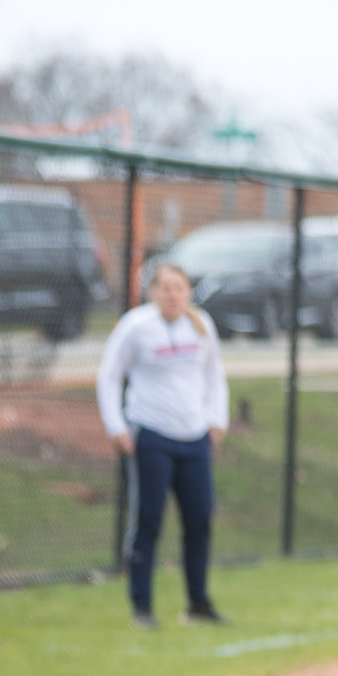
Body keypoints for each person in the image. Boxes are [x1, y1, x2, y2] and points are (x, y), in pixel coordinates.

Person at [96, 262, 229, 629]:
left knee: (199, 518)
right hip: (152, 435)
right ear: (153, 292)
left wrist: (217, 419)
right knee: (149, 521)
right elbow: (109, 375)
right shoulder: (136, 326)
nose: (174, 295)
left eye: (180, 288)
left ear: (188, 291)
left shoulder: (200, 324)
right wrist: (116, 426)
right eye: (166, 288)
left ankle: (198, 603)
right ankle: (142, 607)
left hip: (195, 437)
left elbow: (215, 375)